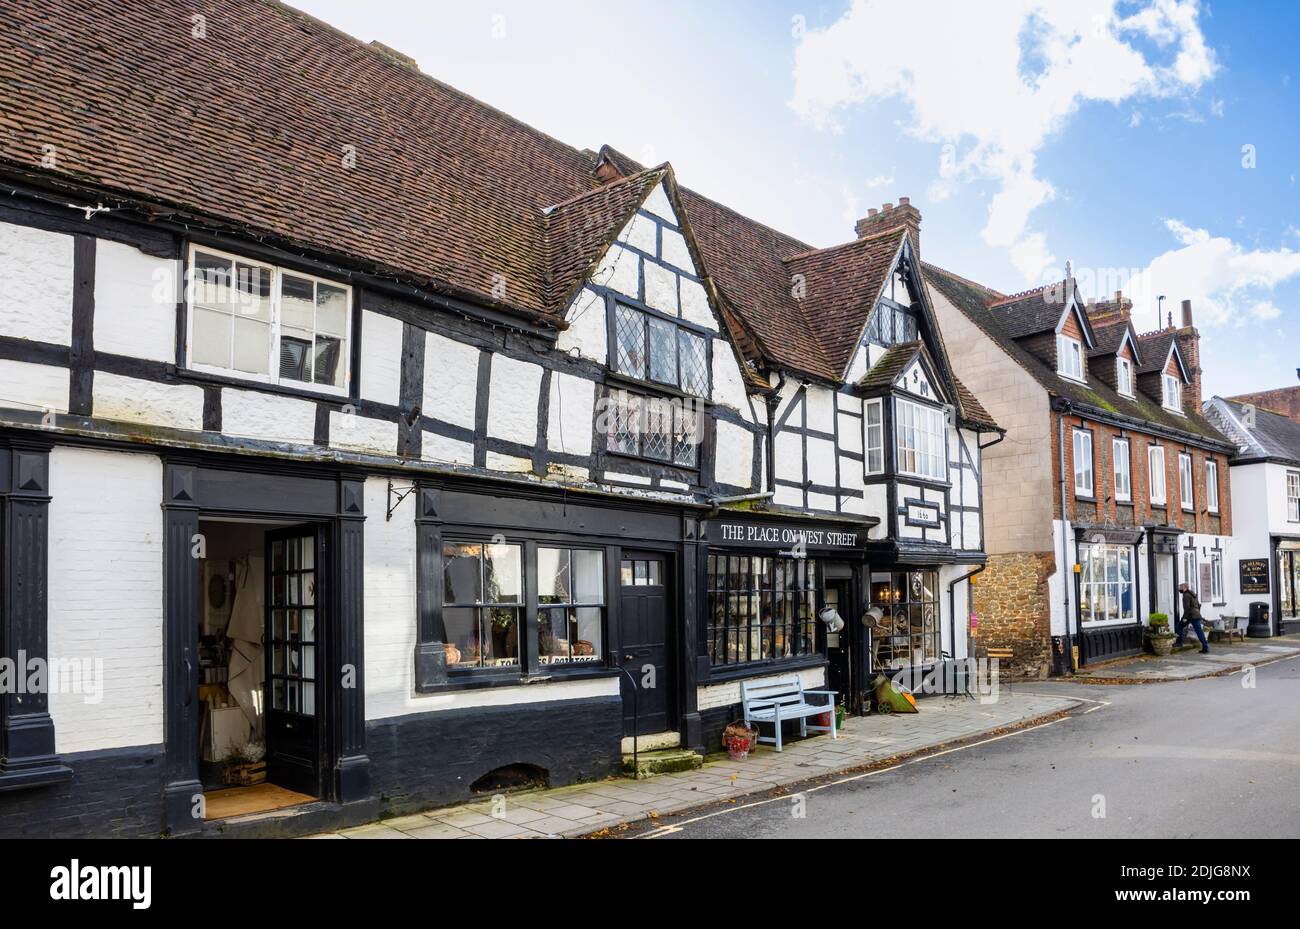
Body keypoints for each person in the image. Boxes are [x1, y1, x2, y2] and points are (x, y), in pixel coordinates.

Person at [1175, 582, 1209, 653]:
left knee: (1178, 627)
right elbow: (1198, 605)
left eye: (1180, 588)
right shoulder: (1193, 594)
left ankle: (1179, 643)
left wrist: (1185, 618)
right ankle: (1205, 648)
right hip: (1196, 615)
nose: (1179, 589)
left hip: (1191, 615)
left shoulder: (1186, 595)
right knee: (1199, 631)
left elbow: (1187, 608)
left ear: (1185, 588)